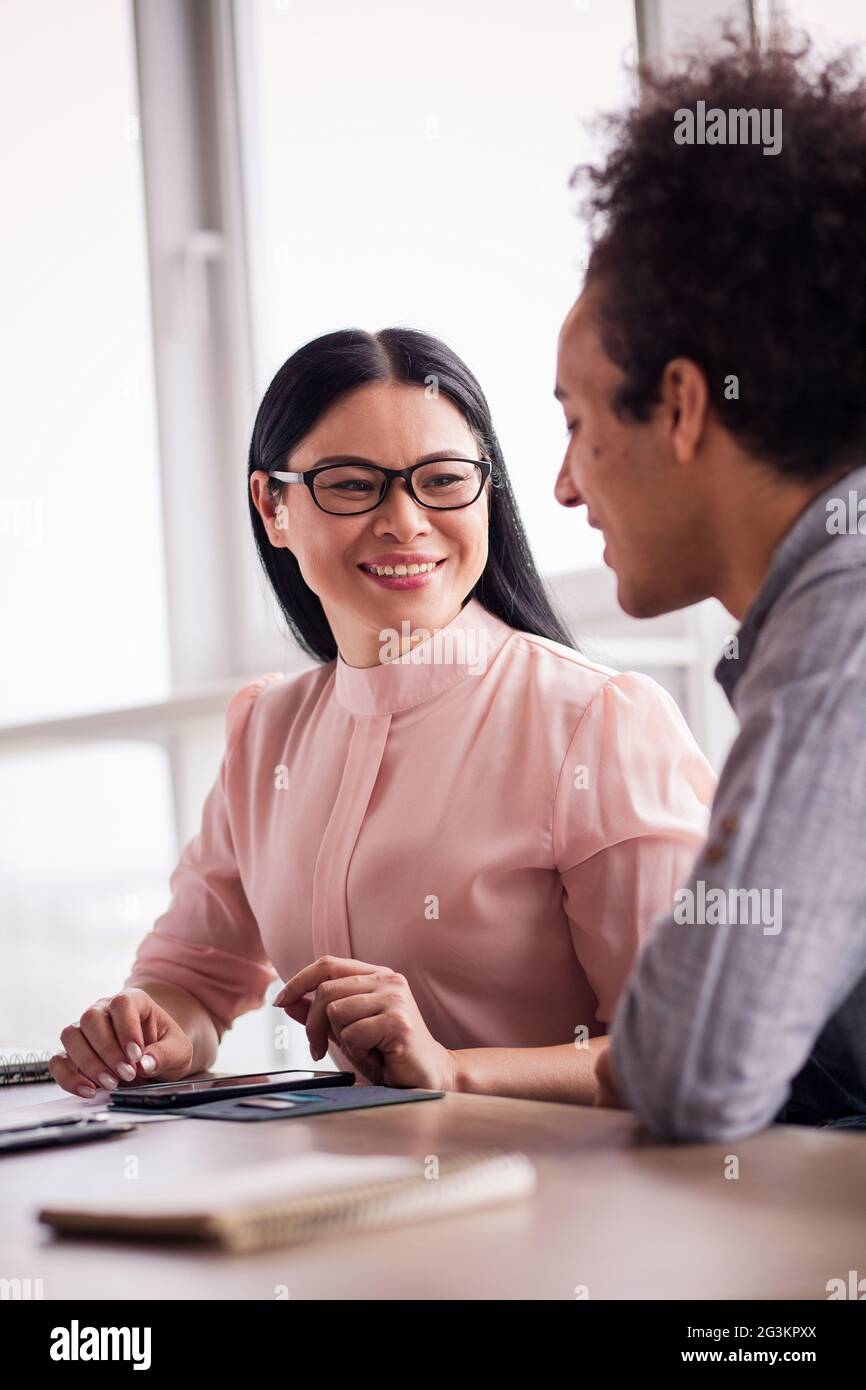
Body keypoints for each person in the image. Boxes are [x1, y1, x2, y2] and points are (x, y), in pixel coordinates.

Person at [49, 327, 712, 1104]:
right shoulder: (267, 732)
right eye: (353, 484)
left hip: (569, 1202)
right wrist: (143, 1032)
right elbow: (191, 981)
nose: (404, 520)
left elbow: (689, 1048)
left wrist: (454, 1070)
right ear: (273, 507)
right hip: (354, 1199)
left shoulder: (599, 724)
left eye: (441, 479)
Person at [554, 35, 866, 1137]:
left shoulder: (846, 623)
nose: (558, 485)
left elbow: (690, 1064)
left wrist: (633, 1051)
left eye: (576, 421)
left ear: (680, 407)